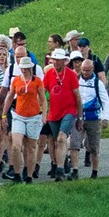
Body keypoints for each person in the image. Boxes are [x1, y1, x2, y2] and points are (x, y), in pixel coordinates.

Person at [1, 56, 44, 184]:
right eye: (22, 68)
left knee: (31, 147)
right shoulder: (16, 80)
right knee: (16, 145)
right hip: (18, 115)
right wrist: (4, 114)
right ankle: (17, 174)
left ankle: (29, 175)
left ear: (30, 68)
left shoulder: (37, 81)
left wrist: (44, 113)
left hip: (33, 116)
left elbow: (43, 98)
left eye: (26, 68)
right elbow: (9, 97)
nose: (24, 70)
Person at [42, 48, 82, 181]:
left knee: (61, 138)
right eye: (54, 60)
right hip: (54, 112)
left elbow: (77, 97)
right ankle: (61, 164)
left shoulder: (70, 74)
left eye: (58, 60)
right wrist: (42, 109)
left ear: (64, 61)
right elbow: (43, 92)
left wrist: (79, 117)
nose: (56, 63)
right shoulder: (49, 74)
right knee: (55, 140)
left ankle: (59, 169)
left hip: (69, 111)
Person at [72, 54, 109, 179]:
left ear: (93, 69)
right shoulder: (76, 80)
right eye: (84, 70)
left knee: (93, 147)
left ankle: (94, 172)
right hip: (78, 118)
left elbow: (105, 101)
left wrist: (105, 118)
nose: (86, 72)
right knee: (74, 144)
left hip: (93, 118)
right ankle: (75, 171)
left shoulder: (97, 84)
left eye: (88, 70)